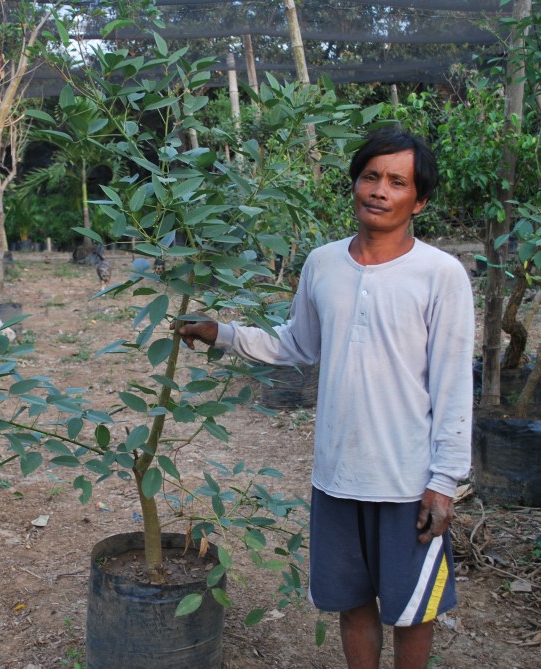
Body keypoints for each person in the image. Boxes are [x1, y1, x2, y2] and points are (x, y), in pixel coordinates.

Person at [177, 126, 474, 669]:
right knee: (351, 600)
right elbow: (297, 344)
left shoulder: (440, 275)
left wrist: (444, 482)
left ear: (420, 200)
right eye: (370, 176)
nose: (380, 190)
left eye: (397, 182)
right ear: (355, 184)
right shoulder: (322, 264)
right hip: (336, 474)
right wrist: (221, 332)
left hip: (407, 480)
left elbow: (454, 383)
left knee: (413, 610)